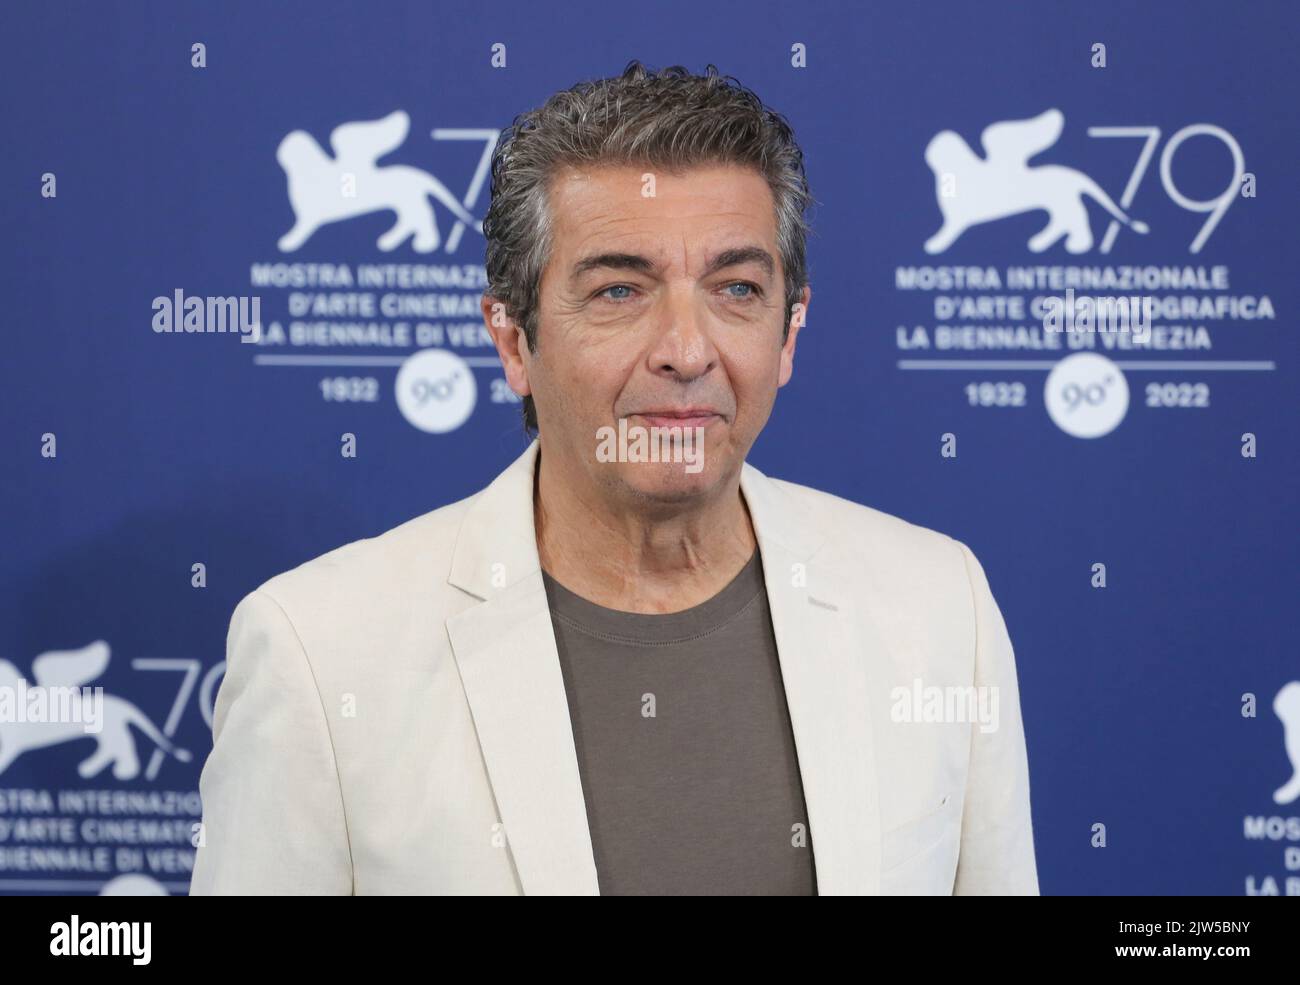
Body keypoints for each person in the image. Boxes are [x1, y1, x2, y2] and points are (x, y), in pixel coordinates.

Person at [189, 61, 1039, 895]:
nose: (685, 348)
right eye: (619, 291)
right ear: (514, 341)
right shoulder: (319, 652)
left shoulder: (939, 609)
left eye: (736, 287)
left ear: (788, 335)